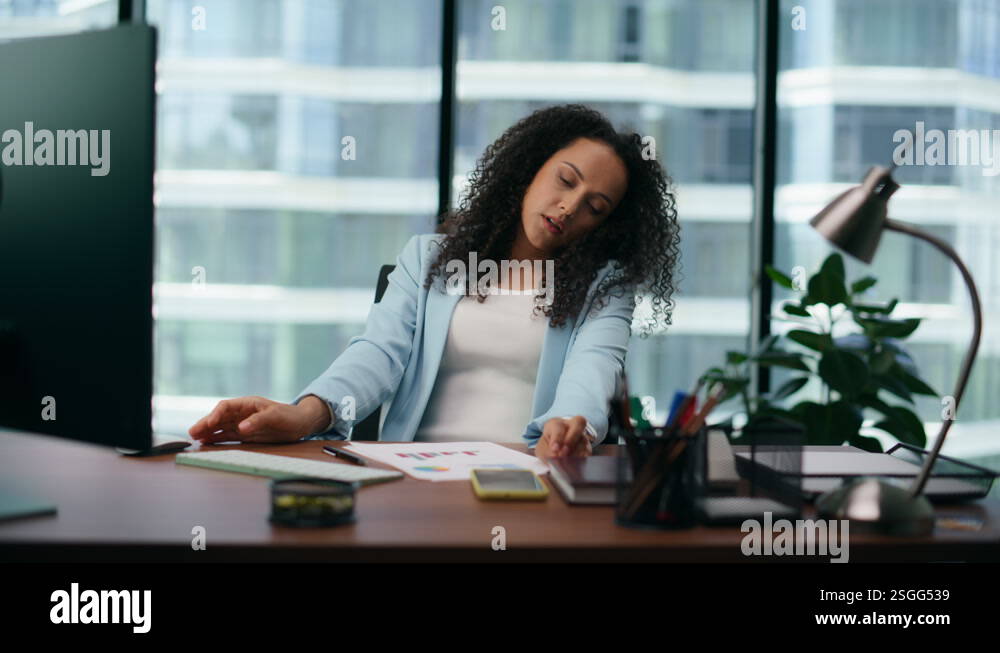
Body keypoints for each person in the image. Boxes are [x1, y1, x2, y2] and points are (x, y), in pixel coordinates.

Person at [189, 104, 680, 458]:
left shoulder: (604, 287)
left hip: (527, 477)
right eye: (565, 181)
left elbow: (591, 373)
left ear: (606, 225)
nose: (570, 207)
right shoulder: (429, 259)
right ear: (531, 169)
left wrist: (571, 427)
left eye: (595, 207)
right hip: (412, 473)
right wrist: (307, 413)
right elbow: (378, 354)